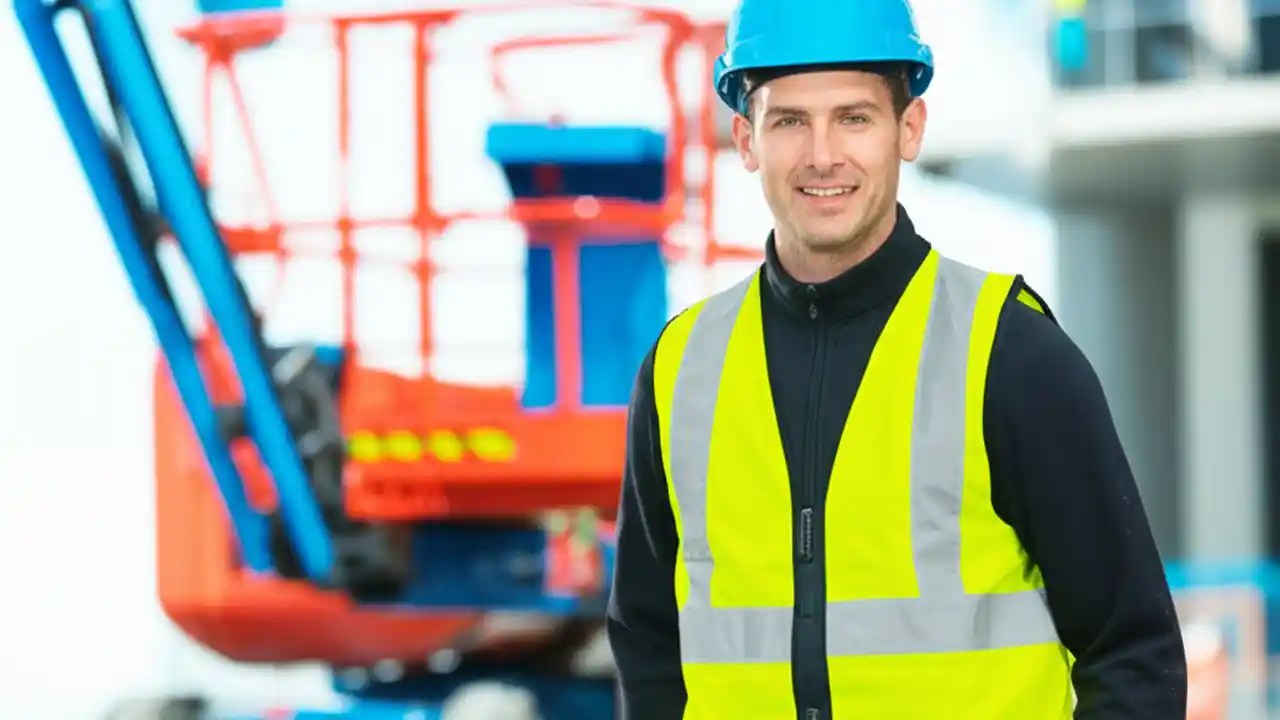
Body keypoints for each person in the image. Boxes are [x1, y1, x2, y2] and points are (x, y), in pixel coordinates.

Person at [605, 0, 1188, 718]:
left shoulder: (1010, 353)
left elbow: (1131, 652)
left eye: (854, 117)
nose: (822, 155)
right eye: (790, 120)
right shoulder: (679, 369)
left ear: (908, 129)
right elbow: (649, 645)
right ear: (745, 138)